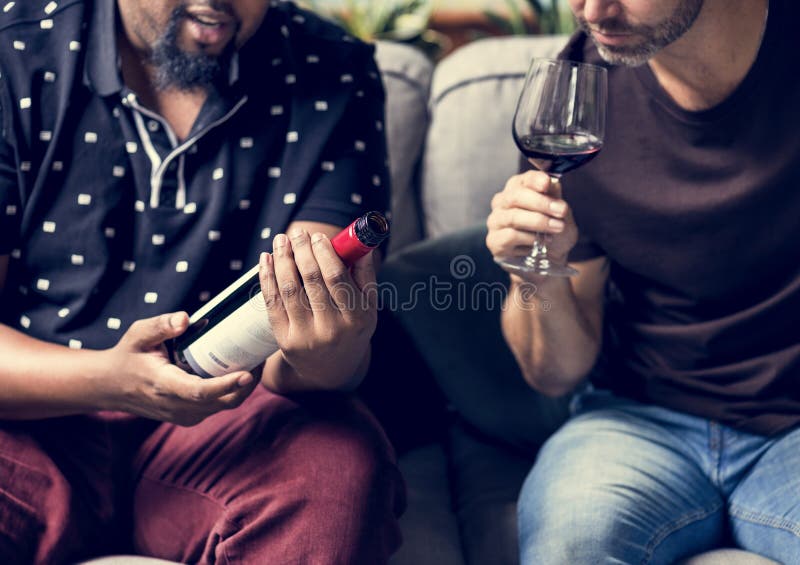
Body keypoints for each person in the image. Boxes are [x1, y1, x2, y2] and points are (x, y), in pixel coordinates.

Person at [0, 0, 403, 563]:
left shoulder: (332, 65)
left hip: (230, 423)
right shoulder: (14, 47)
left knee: (338, 471)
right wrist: (107, 379)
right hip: (29, 420)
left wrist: (331, 352)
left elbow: (305, 365)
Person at [486, 0, 800, 562]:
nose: (591, 9)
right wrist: (535, 269)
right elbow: (554, 374)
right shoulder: (577, 92)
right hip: (636, 423)